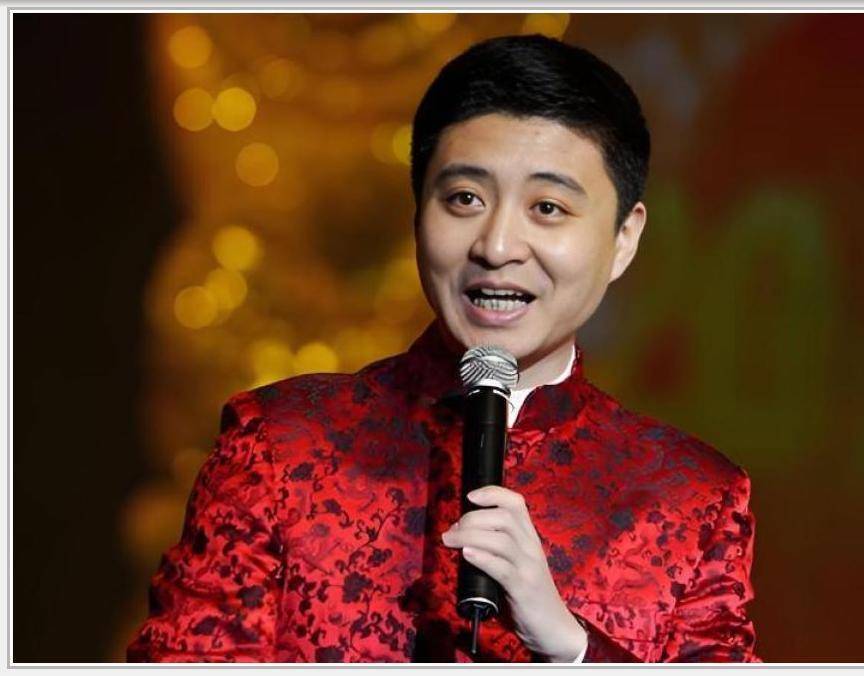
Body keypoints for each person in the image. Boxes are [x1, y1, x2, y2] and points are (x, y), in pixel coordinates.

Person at [127, 33, 760, 663]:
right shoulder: (279, 448)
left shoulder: (692, 501)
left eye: (547, 207)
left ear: (624, 239)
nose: (497, 245)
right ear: (418, 215)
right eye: (465, 199)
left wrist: (571, 648)